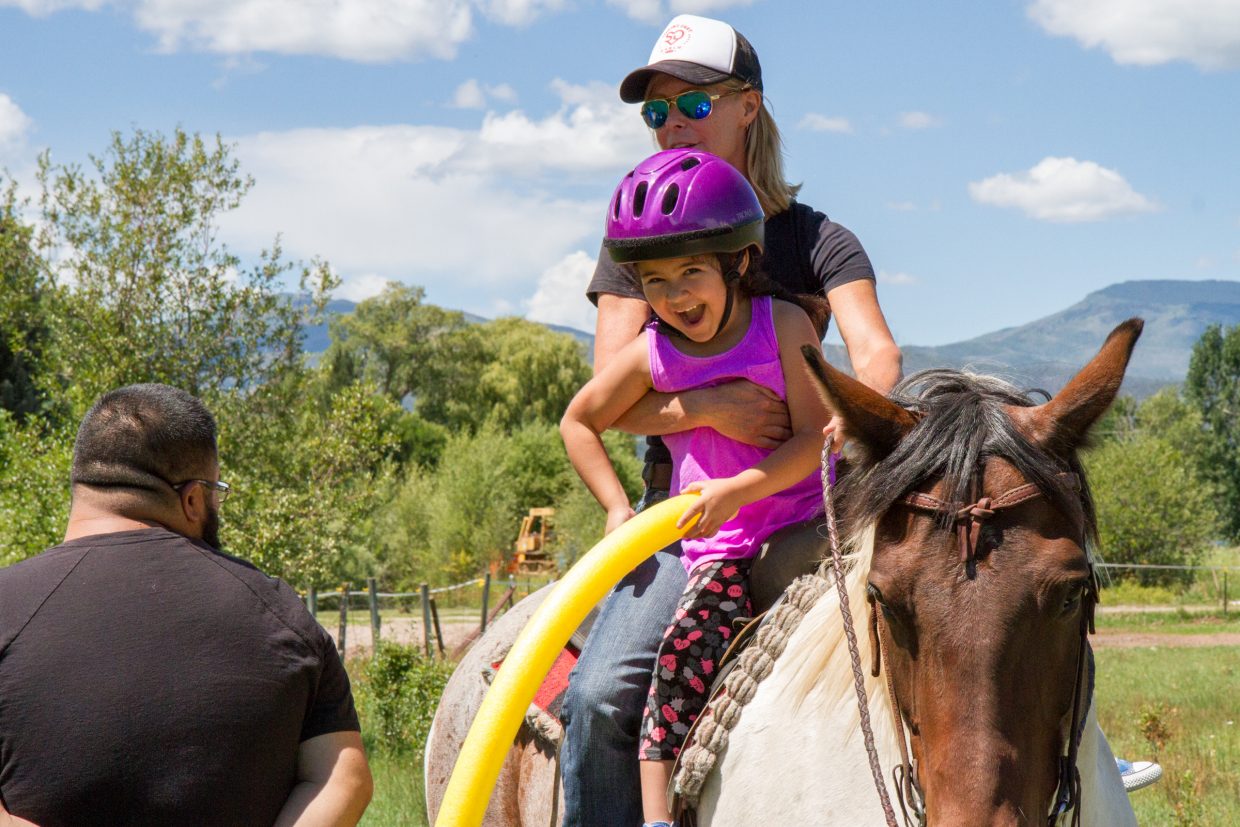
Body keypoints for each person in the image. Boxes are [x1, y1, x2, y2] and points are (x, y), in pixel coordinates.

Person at [561, 14, 902, 827]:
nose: (671, 123)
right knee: (602, 698)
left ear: (748, 106)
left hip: (808, 498)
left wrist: (839, 419)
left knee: (961, 594)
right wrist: (712, 405)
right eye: (655, 111)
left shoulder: (819, 239)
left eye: (692, 104)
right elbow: (609, 395)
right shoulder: (637, 237)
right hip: (686, 521)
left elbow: (878, 356)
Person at [561, 148, 833, 827]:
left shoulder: (783, 324)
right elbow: (578, 420)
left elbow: (817, 436)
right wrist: (619, 508)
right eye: (656, 282)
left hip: (802, 528)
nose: (677, 296)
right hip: (715, 545)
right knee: (660, 676)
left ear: (737, 263)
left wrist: (738, 487)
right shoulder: (656, 353)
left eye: (691, 272)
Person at [0, 384, 372, 827]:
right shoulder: (280, 612)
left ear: (82, 485)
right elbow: (343, 777)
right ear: (193, 498)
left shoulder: (8, 605)